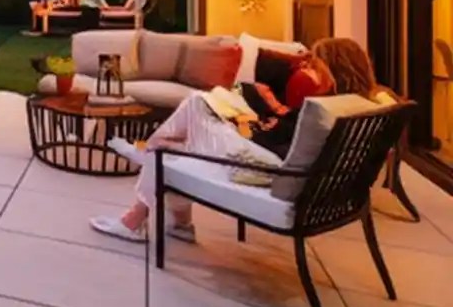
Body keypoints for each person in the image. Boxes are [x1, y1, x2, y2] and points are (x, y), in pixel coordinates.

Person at [88, 38, 372, 244]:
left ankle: (144, 166)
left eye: (315, 65)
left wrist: (250, 123)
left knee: (196, 104)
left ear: (334, 69)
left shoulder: (321, 108)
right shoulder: (355, 107)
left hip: (261, 166)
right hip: (281, 165)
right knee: (187, 135)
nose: (310, 70)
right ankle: (179, 219)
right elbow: (285, 133)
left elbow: (276, 138)